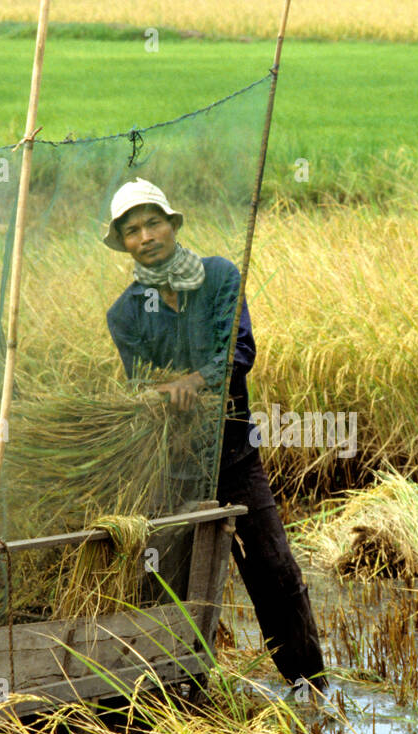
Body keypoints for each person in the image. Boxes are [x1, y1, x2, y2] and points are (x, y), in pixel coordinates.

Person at [102, 178, 328, 696]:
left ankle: (310, 686)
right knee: (170, 580)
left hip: (233, 455)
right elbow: (141, 385)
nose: (146, 236)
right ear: (124, 243)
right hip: (172, 463)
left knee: (275, 573)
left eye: (153, 222)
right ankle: (176, 691)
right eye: (132, 230)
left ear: (174, 225)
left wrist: (194, 381)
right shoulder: (125, 313)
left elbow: (240, 353)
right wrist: (164, 392)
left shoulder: (221, 277)